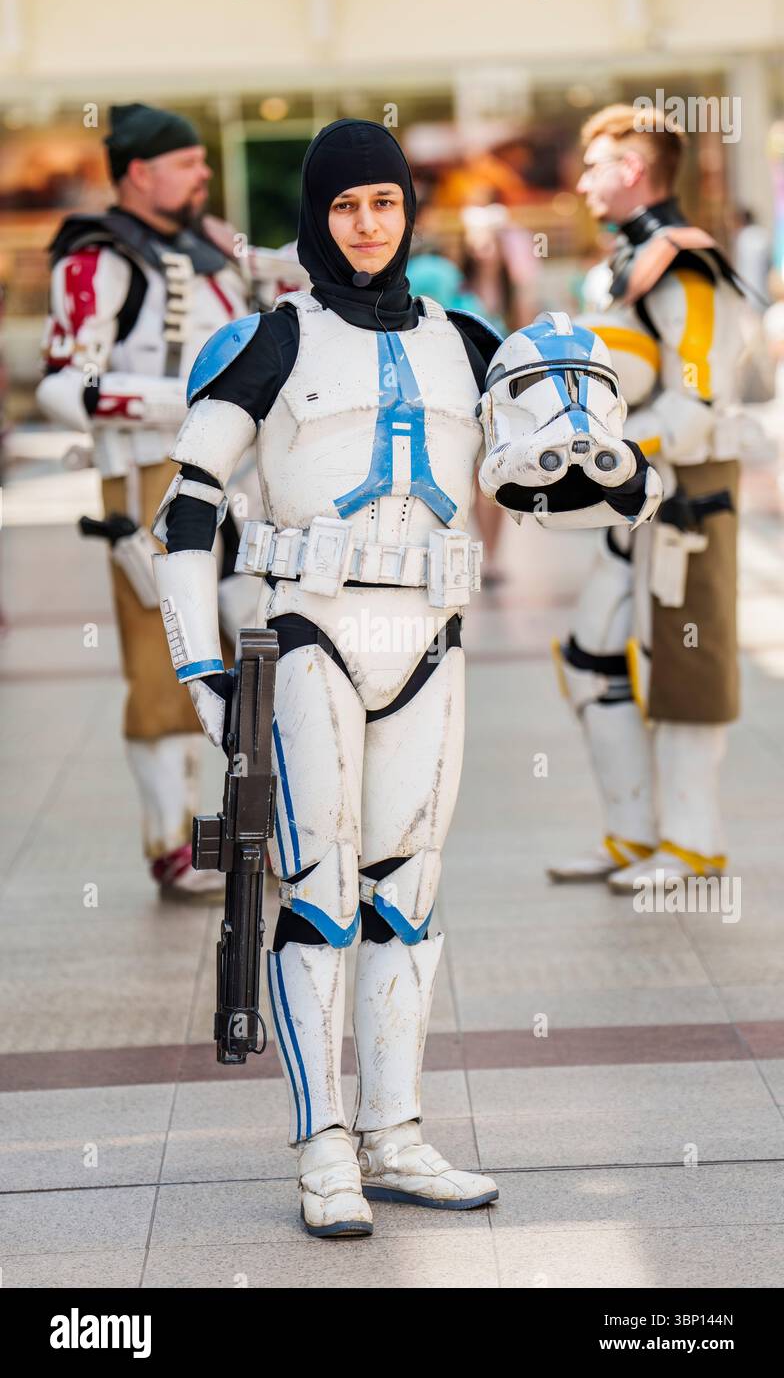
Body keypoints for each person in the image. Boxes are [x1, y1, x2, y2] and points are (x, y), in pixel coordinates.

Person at [150, 119, 658, 1237]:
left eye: (383, 202)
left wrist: (620, 473)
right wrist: (197, 665)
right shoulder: (272, 338)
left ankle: (394, 1130)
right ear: (315, 218)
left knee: (408, 895)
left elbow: (562, 461)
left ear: (406, 210)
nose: (367, 224)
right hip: (308, 636)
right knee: (318, 892)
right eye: (344, 206)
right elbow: (187, 505)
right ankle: (320, 1146)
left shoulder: (465, 338)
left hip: (427, 640)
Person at [35, 103, 298, 900]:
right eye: (187, 164)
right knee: (163, 659)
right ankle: (177, 841)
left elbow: (287, 292)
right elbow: (62, 384)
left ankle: (266, 826)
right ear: (139, 173)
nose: (204, 175)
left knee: (263, 638)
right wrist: (185, 398)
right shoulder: (96, 257)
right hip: (152, 474)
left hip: (244, 474)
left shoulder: (212, 242)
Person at [547, 103, 755, 890]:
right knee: (590, 657)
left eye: (596, 164)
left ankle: (693, 843)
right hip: (631, 495)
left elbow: (697, 403)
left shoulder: (686, 262)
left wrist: (608, 454)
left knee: (685, 668)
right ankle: (633, 834)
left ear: (632, 170)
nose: (583, 181)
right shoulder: (625, 262)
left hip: (686, 498)